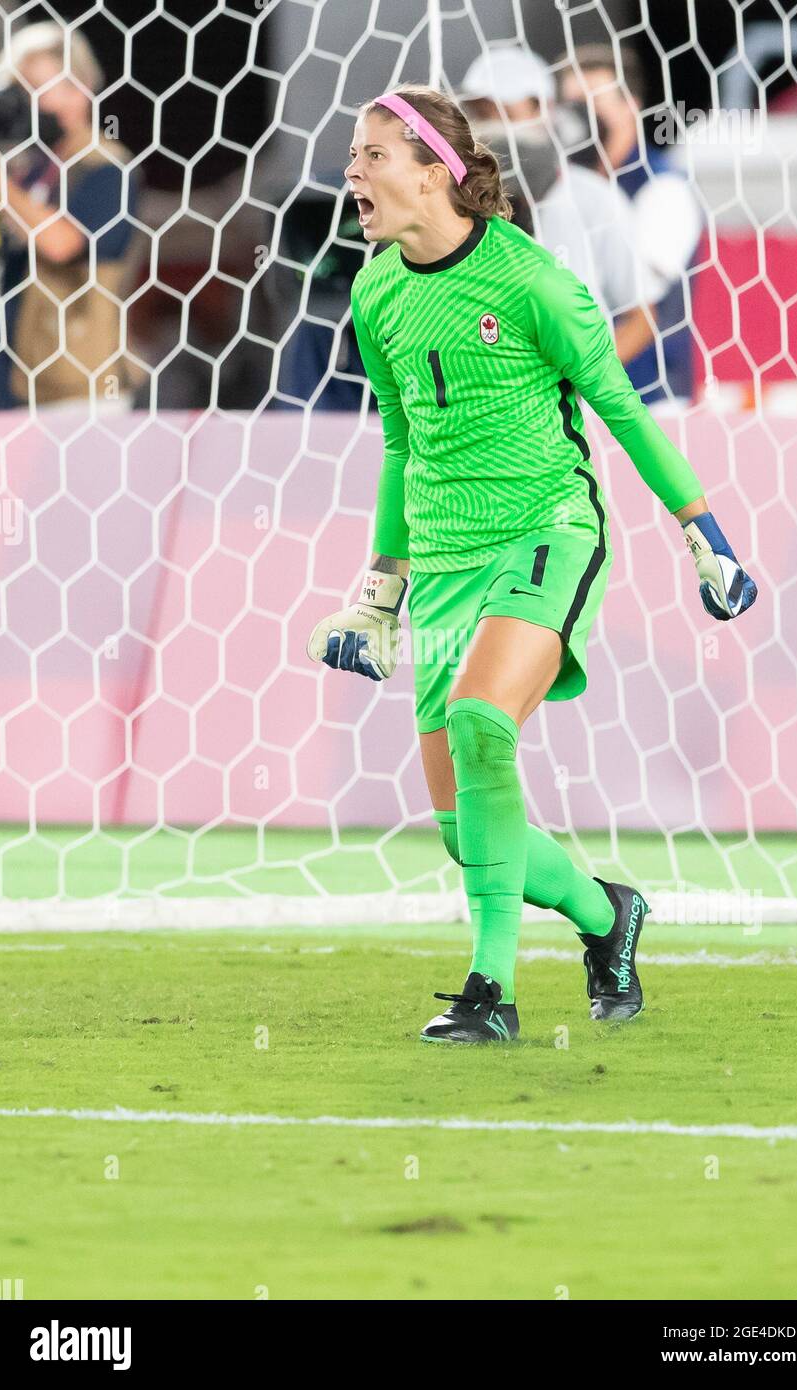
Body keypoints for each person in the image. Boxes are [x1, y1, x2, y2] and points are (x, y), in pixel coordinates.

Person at [307, 85, 757, 1044]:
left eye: (372, 155)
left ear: (435, 172)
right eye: (354, 155)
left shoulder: (535, 282)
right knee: (469, 832)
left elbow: (624, 410)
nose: (353, 171)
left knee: (480, 722)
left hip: (549, 530)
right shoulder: (375, 289)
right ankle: (608, 916)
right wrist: (381, 593)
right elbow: (398, 444)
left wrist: (702, 534)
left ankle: (490, 992)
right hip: (442, 559)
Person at [459, 45, 658, 364]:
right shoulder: (448, 199)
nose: (492, 128)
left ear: (545, 111)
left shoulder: (594, 198)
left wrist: (581, 380)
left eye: (505, 113)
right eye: (481, 114)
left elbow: (641, 318)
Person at [0, 22, 140, 408]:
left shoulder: (107, 167)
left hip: (76, 390)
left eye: (39, 89)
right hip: (8, 383)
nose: (29, 103)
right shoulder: (31, 169)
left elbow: (62, 243)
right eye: (19, 91)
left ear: (82, 87)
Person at [559, 44, 702, 405]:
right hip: (573, 413)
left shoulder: (662, 190)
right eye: (571, 106)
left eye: (593, 103)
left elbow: (638, 309)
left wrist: (571, 388)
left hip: (649, 404)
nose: (580, 119)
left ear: (631, 107)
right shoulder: (559, 192)